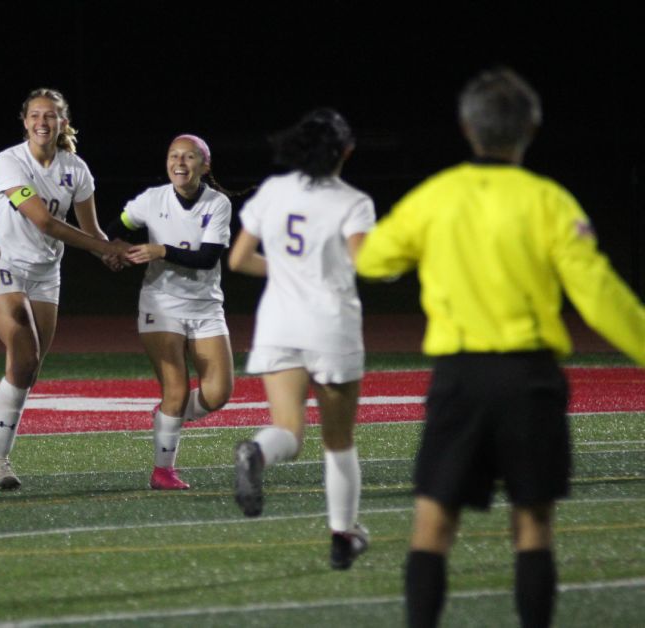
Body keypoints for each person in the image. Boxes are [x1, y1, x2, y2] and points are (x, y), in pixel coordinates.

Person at [355, 67, 645, 627]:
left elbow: (372, 260)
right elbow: (599, 294)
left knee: (433, 526)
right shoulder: (550, 201)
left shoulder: (436, 197)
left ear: (467, 127)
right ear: (530, 129)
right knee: (532, 527)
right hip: (530, 379)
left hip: (460, 378)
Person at [0, 88, 128, 490]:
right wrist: (103, 247)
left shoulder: (77, 170)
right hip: (2, 265)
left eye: (50, 116)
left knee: (25, 368)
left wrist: (116, 254)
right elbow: (43, 222)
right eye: (35, 115)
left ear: (63, 123)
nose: (42, 122)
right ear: (24, 121)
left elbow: (91, 231)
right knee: (25, 352)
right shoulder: (9, 161)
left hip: (46, 274)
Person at [228, 108, 375, 569]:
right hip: (331, 326)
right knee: (339, 441)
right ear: (345, 152)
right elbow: (367, 264)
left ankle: (257, 450)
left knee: (289, 431)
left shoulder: (273, 191)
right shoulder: (353, 202)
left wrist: (291, 270)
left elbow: (238, 259)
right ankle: (342, 535)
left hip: (278, 324)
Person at [108, 134, 234, 490]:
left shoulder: (218, 203)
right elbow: (117, 228)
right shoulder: (151, 200)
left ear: (204, 165)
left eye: (189, 157)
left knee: (218, 393)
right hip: (160, 304)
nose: (180, 163)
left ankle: (167, 415)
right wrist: (115, 251)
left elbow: (207, 258)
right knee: (176, 389)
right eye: (174, 156)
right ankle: (163, 470)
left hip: (206, 305)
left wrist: (160, 249)